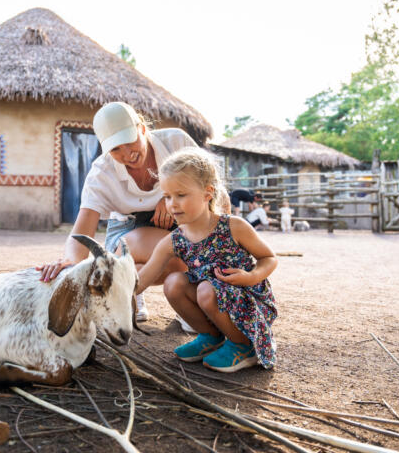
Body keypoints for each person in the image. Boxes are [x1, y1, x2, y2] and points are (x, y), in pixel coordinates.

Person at [36, 102, 195, 322]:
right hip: (127, 230)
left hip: (180, 222)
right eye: (115, 149)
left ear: (142, 129)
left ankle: (186, 300)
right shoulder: (101, 173)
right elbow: (82, 231)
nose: (127, 154)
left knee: (183, 260)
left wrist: (172, 196)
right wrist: (69, 262)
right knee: (131, 256)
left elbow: (214, 191)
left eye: (129, 142)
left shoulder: (177, 142)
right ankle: (128, 284)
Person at [137, 148, 278, 372]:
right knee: (173, 283)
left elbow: (268, 258)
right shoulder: (175, 239)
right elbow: (142, 279)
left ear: (207, 193)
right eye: (167, 196)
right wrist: (109, 297)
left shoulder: (233, 226)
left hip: (247, 303)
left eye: (181, 195)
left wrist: (251, 277)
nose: (172, 204)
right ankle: (211, 337)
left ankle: (244, 345)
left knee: (206, 289)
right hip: (211, 299)